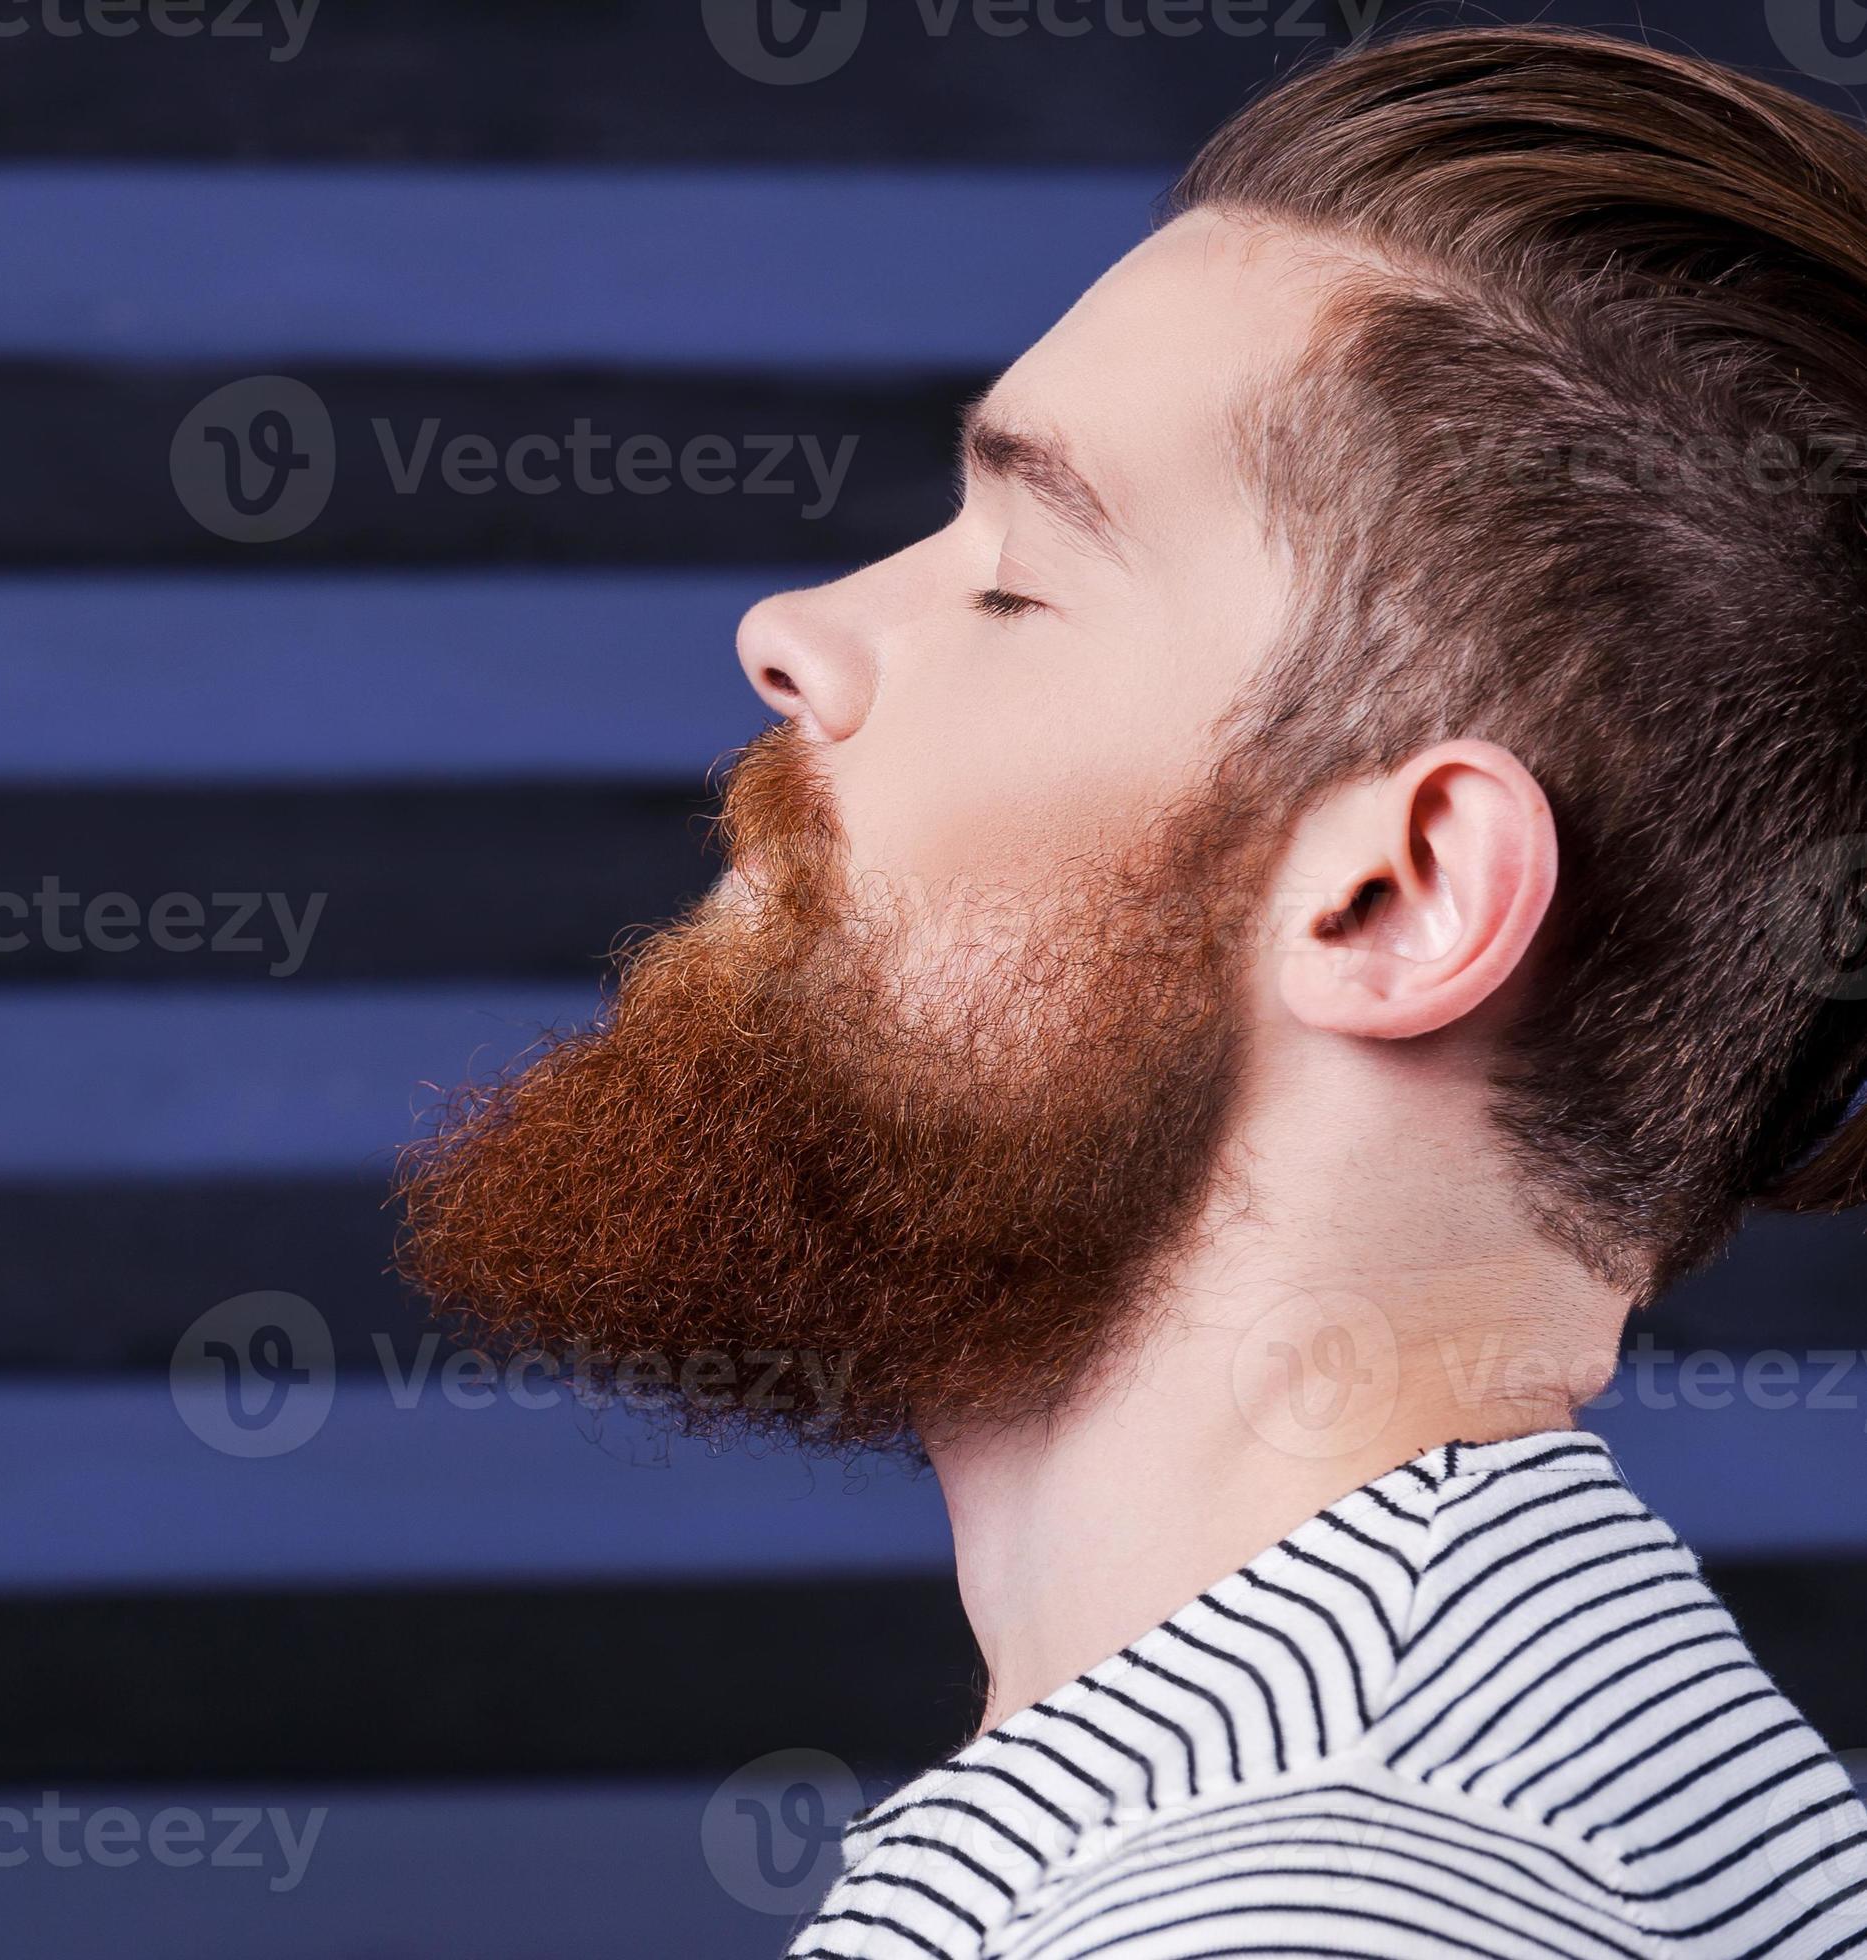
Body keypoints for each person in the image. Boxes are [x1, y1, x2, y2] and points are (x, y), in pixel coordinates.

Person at [395, 26, 1867, 1957]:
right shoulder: (1498, 1776)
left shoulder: (1309, 1915)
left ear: (1399, 896)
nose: (796, 632)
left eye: (1018, 580)